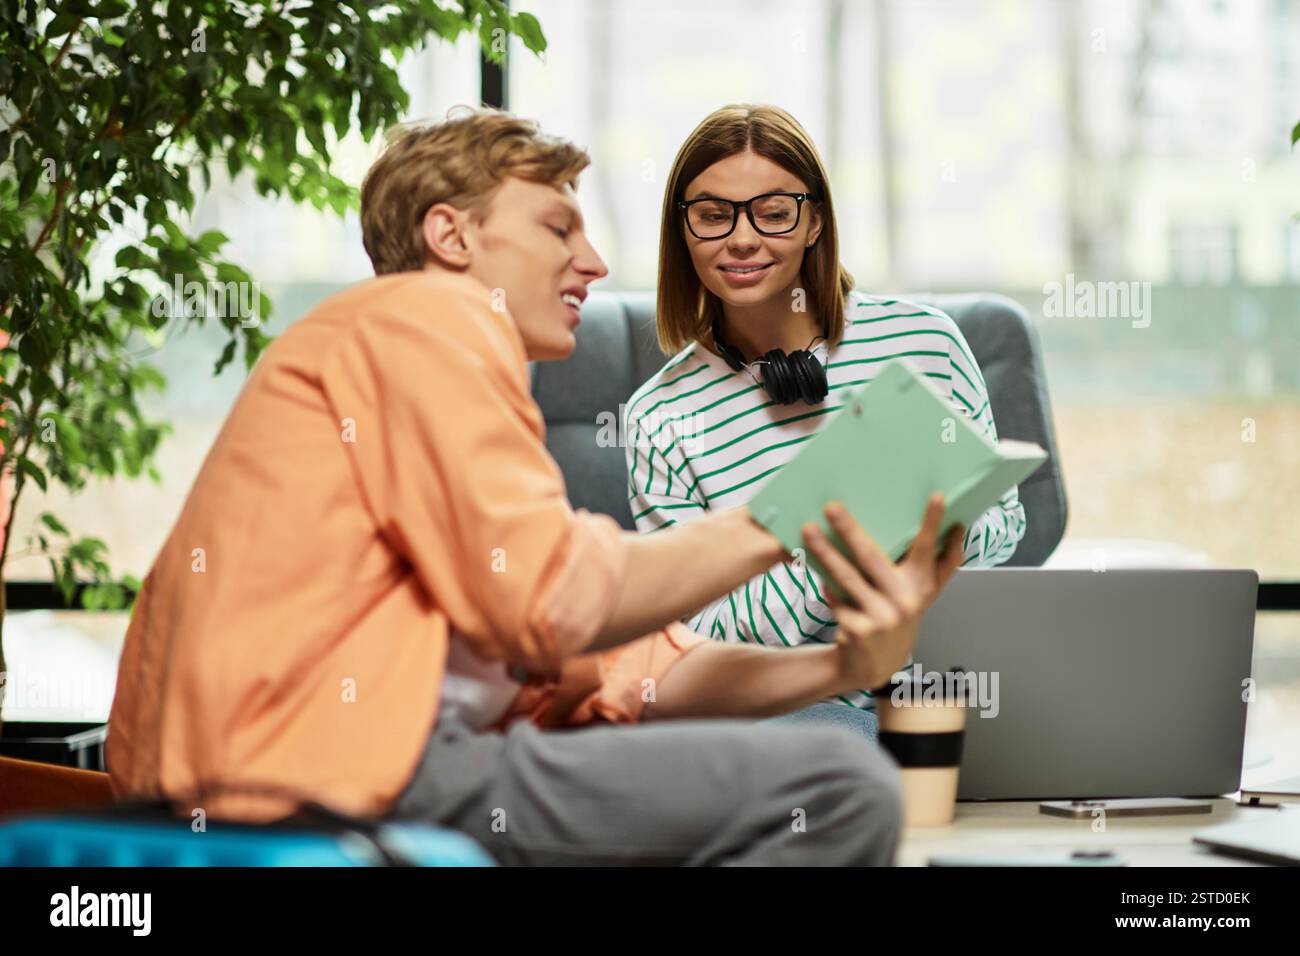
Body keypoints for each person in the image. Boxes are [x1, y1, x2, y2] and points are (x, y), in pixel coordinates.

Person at [105, 108, 964, 866]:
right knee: (843, 784)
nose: (591, 261)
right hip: (322, 771)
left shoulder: (404, 376)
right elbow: (555, 598)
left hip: (315, 765)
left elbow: (641, 669)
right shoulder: (425, 317)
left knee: (827, 775)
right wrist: (794, 511)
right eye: (559, 229)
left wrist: (845, 664)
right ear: (453, 237)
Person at [624, 104, 1026, 735]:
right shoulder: (659, 415)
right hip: (800, 710)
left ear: (814, 222)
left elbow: (1005, 524)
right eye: (711, 215)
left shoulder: (927, 341)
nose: (742, 238)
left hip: (947, 683)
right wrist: (848, 560)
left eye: (775, 212)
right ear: (683, 231)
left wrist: (916, 545)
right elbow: (694, 637)